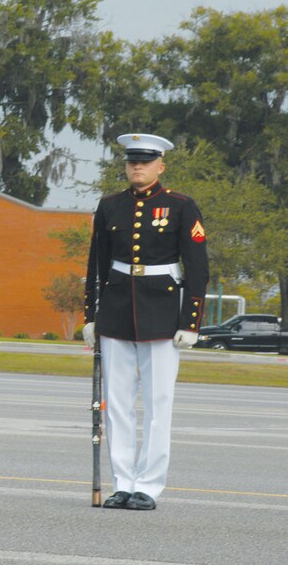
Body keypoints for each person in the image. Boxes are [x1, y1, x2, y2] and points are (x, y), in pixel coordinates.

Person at [83, 133, 208, 511]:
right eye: (132, 161)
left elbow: (198, 267)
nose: (137, 166)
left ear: (161, 165)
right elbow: (96, 265)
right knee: (117, 404)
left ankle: (149, 486)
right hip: (118, 308)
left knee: (157, 404)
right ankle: (123, 482)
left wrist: (191, 320)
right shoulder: (110, 206)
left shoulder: (181, 206)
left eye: (146, 161)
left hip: (163, 312)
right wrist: (91, 314)